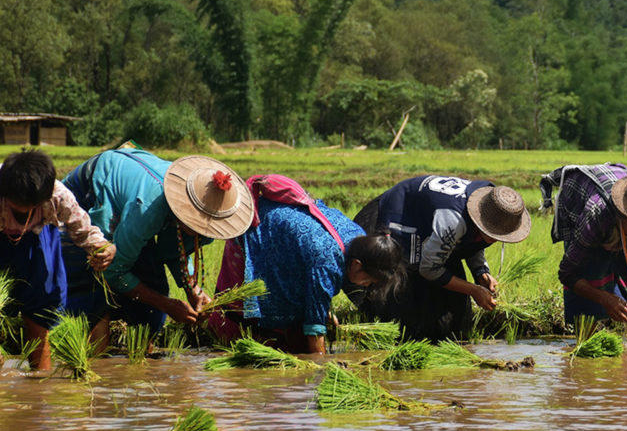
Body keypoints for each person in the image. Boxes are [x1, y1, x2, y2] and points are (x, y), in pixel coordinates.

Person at [61, 149, 253, 349]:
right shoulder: (146, 210)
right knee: (94, 289)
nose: (203, 231)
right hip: (92, 190)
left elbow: (172, 249)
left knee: (154, 285)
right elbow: (114, 271)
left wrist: (192, 289)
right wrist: (166, 304)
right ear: (184, 210)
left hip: (134, 202)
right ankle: (96, 356)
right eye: (198, 223)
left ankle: (143, 354)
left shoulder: (179, 216)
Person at [213, 174, 404, 354]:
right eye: (368, 280)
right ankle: (215, 339)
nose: (366, 286)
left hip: (284, 239)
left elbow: (317, 281)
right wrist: (320, 364)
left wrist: (324, 310)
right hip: (254, 234)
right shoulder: (327, 262)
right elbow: (314, 331)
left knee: (293, 331)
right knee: (240, 314)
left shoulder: (358, 237)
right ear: (356, 264)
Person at [353, 175, 531, 341]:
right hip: (396, 217)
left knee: (453, 314)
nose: (496, 240)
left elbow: (473, 240)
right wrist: (474, 290)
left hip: (429, 225)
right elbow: (429, 269)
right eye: (494, 235)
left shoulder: (486, 208)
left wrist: (481, 272)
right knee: (400, 300)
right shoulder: (453, 220)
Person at [0, 150, 115, 370]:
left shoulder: (57, 194)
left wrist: (103, 248)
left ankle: (39, 384)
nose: (25, 211)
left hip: (38, 242)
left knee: (41, 307)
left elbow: (83, 228)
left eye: (32, 206)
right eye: (18, 207)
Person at [539, 164, 627, 341]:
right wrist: (605, 298)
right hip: (581, 200)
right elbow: (568, 273)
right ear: (622, 214)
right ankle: (584, 353)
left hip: (615, 215)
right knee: (590, 273)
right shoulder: (597, 213)